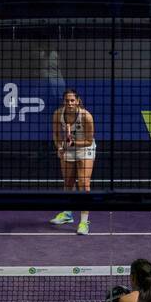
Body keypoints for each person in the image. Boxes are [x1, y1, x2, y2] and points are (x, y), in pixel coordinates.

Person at [49, 90, 94, 233]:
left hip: (85, 149)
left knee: (84, 184)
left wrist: (73, 144)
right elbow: (56, 134)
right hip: (68, 148)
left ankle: (84, 223)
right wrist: (59, 147)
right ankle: (67, 214)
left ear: (78, 101)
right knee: (68, 182)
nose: (69, 103)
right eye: (67, 100)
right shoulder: (58, 114)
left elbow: (88, 141)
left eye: (72, 100)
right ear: (64, 102)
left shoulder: (86, 116)